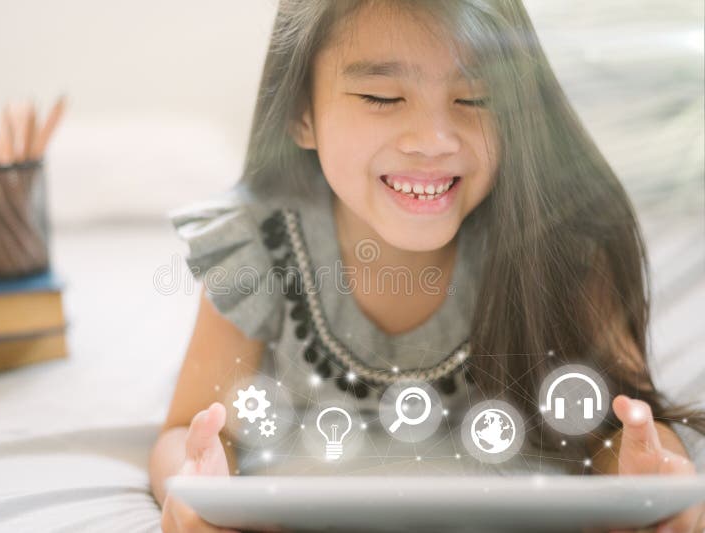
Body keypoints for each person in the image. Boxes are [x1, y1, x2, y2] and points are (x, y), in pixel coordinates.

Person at [149, 1, 705, 531]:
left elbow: (619, 431)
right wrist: (194, 489)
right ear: (301, 114)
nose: (434, 141)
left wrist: (653, 477)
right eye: (382, 97)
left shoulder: (563, 243)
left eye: (477, 100)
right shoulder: (255, 244)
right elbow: (189, 429)